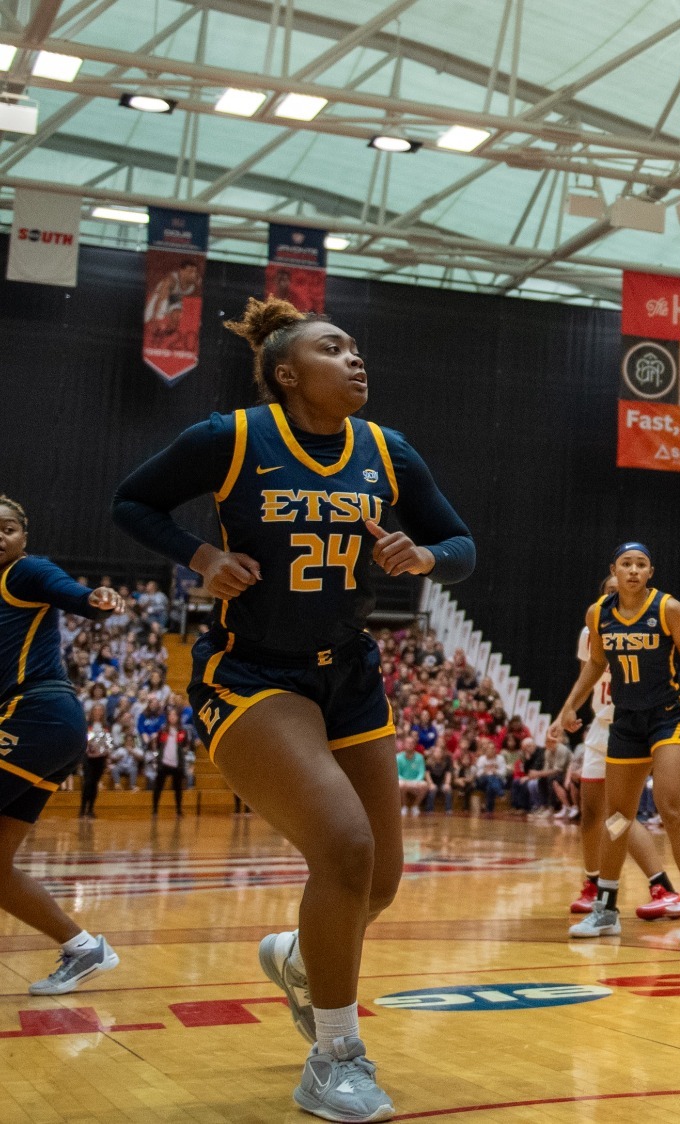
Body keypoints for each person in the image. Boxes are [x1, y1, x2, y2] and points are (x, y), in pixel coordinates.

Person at [111, 296, 476, 1122]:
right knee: (343, 848)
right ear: (286, 373)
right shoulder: (233, 438)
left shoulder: (388, 452)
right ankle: (334, 1055)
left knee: (379, 882)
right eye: (333, 348)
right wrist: (201, 554)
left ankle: (300, 960)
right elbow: (132, 502)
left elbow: (461, 546)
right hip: (251, 672)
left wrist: (424, 553)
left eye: (356, 349)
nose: (355, 360)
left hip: (348, 675)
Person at [555, 545, 680, 945]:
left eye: (641, 564)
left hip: (669, 717)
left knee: (672, 809)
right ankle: (606, 910)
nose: (634, 570)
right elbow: (595, 664)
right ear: (614, 570)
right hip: (625, 721)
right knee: (617, 817)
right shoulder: (598, 614)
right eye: (627, 564)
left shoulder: (670, 610)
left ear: (650, 572)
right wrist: (568, 707)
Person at [0, 496, 124, 995]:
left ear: (23, 535)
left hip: (37, 715)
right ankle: (83, 948)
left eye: (6, 528)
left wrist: (92, 598)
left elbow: (66, 591)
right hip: (40, 726)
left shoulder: (26, 572)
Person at [564, 576, 680, 924]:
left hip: (633, 723)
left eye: (621, 590)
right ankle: (592, 883)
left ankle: (662, 888)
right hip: (601, 726)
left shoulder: (649, 626)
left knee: (617, 816)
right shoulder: (593, 631)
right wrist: (566, 712)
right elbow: (587, 674)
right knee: (591, 813)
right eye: (610, 591)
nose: (617, 594)